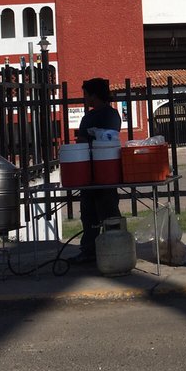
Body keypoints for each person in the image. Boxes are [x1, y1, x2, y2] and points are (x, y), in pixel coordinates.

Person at [69, 77, 122, 265]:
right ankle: (89, 249)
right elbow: (82, 141)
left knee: (108, 210)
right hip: (87, 171)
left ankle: (115, 247)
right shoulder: (88, 117)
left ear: (94, 95)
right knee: (88, 212)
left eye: (86, 94)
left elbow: (107, 140)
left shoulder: (110, 115)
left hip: (106, 171)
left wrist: (93, 138)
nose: (84, 98)